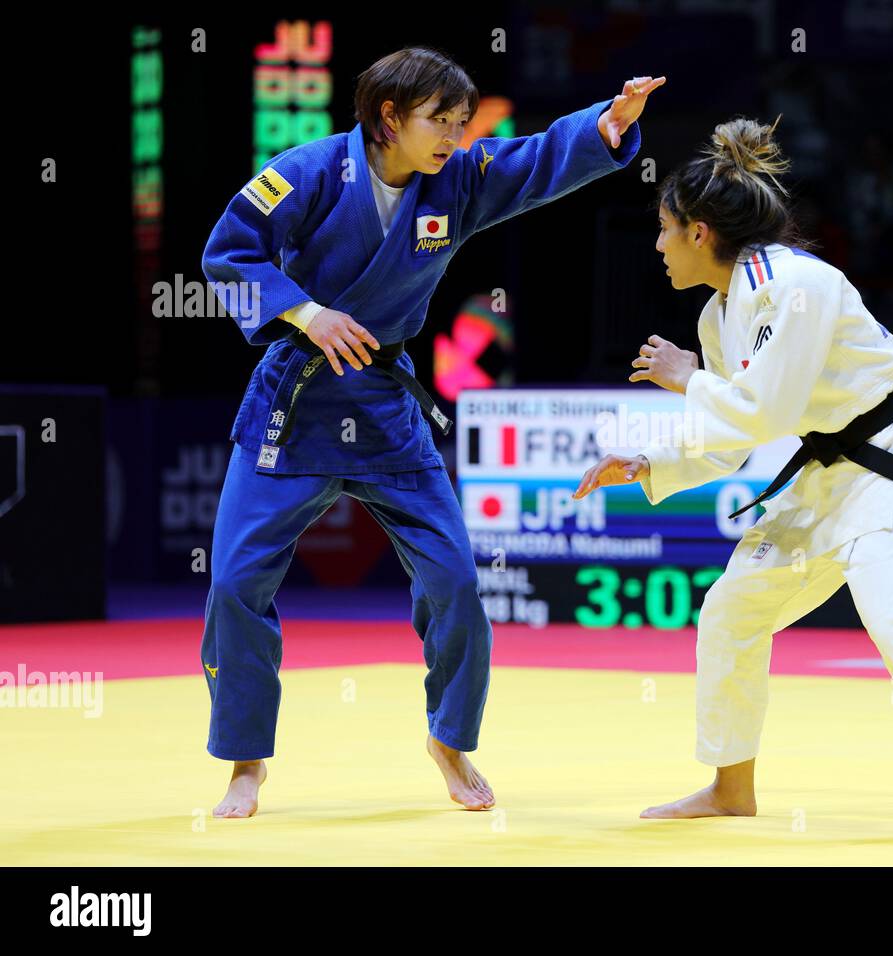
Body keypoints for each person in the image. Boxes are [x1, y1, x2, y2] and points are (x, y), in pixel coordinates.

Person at [201, 45, 663, 818]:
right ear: (389, 118)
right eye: (439, 121)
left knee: (453, 581)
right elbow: (227, 252)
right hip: (297, 402)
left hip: (384, 406)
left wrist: (607, 125)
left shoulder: (459, 180)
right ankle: (245, 762)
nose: (455, 134)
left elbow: (535, 161)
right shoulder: (308, 172)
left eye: (460, 120)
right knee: (234, 584)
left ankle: (449, 739)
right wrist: (307, 312)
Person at [574, 117, 893, 843]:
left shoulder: (798, 283)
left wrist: (691, 379)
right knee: (731, 612)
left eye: (666, 229)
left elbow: (769, 409)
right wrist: (655, 462)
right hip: (825, 476)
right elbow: (735, 437)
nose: (657, 245)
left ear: (700, 231)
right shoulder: (719, 313)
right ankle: (731, 786)